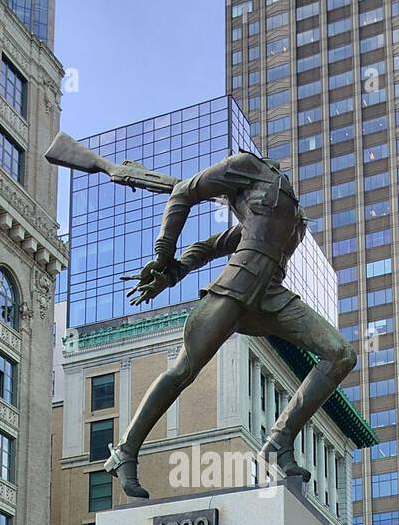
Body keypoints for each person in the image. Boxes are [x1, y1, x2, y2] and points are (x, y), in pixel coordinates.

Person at [101, 150, 358, 498]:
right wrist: (165, 262)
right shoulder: (248, 165)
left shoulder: (291, 210)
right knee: (182, 372)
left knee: (340, 354)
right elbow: (183, 194)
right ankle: (126, 452)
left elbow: (215, 244)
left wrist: (176, 268)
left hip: (271, 295)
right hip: (234, 288)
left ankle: (278, 442)